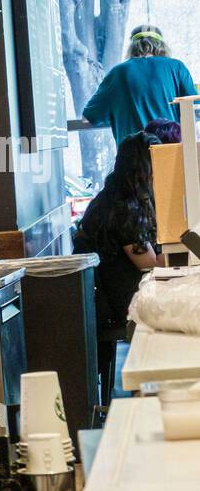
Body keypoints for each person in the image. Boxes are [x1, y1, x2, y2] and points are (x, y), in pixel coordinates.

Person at [72, 132, 166, 406]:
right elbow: (148, 263)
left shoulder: (116, 197)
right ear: (144, 167)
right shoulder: (124, 206)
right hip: (114, 303)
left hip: (107, 294)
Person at [82, 25, 197, 146]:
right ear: (162, 45)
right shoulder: (177, 67)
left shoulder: (117, 73)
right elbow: (195, 108)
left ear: (132, 46)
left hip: (132, 156)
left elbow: (87, 118)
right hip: (169, 154)